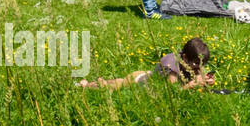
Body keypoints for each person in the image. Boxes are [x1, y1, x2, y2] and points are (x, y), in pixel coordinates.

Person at [78, 37, 214, 89]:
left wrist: (205, 81)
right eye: (196, 65)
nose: (199, 68)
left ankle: (101, 81)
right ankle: (87, 85)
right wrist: (191, 85)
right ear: (184, 57)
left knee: (118, 81)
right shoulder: (172, 67)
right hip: (140, 82)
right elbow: (171, 93)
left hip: (148, 76)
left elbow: (196, 77)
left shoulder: (191, 62)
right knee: (114, 87)